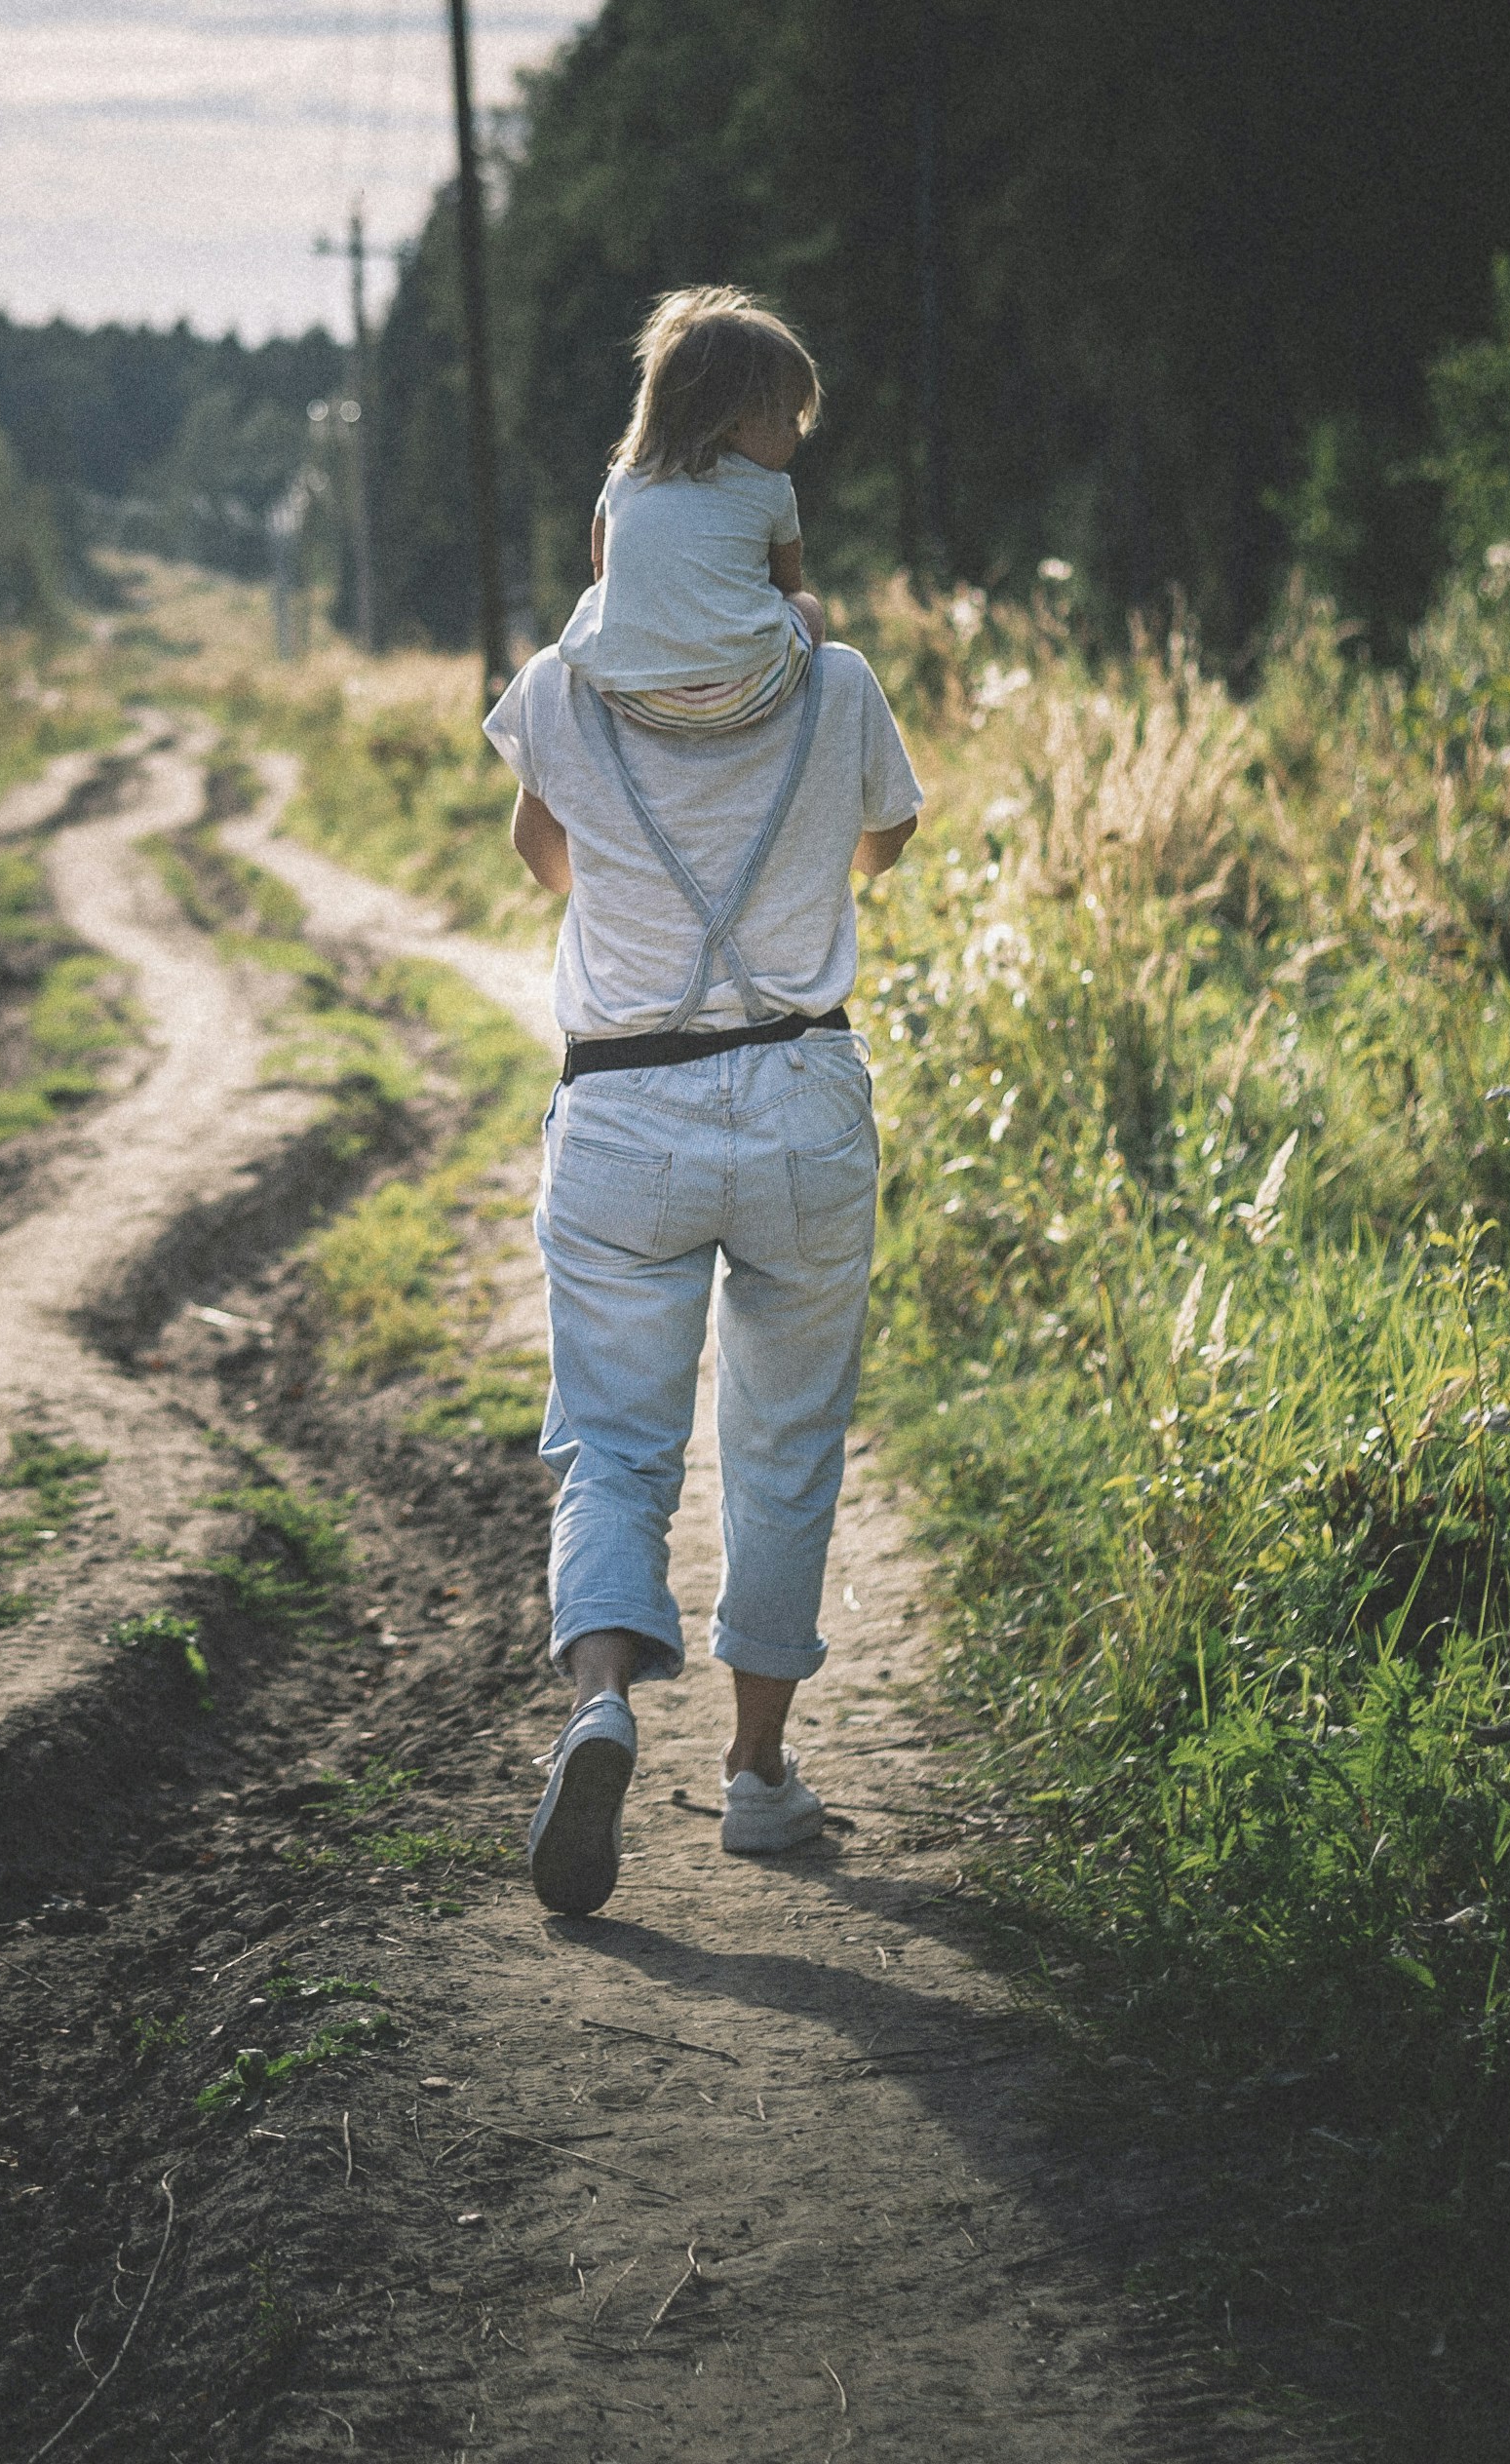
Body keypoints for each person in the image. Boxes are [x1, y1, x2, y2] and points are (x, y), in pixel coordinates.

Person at [486, 290, 920, 1918]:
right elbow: (877, 846)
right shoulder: (837, 684)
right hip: (801, 1099)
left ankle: (598, 1698)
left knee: (608, 1445)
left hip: (621, 1117)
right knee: (784, 1447)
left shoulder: (564, 688)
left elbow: (542, 861)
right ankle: (753, 1781)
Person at [550, 287, 828, 737]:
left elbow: (603, 568)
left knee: (596, 602)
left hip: (630, 695)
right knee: (807, 606)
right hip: (750, 691)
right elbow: (786, 585)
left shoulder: (623, 480)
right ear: (735, 420)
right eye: (788, 418)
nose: (798, 434)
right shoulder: (771, 489)